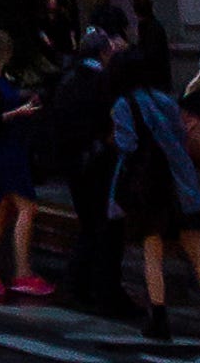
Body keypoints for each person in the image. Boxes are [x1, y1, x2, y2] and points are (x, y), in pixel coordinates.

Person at [110, 52, 200, 349]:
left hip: (149, 188)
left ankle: (159, 318)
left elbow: (127, 145)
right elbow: (179, 134)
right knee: (196, 252)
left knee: (153, 252)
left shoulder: (122, 105)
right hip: (179, 183)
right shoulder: (164, 100)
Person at [50, 18, 136, 316]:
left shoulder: (69, 79)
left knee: (89, 226)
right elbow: (108, 124)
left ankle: (79, 284)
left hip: (75, 162)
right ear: (103, 53)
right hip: (98, 163)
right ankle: (106, 291)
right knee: (107, 228)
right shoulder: (102, 83)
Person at [0, 29, 55, 298]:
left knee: (1, 209)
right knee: (25, 206)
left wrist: (24, 99)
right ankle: (22, 271)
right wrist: (19, 112)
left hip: (5, 147)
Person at [129, 0, 174, 93]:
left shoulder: (149, 28)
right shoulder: (152, 26)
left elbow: (148, 53)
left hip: (154, 78)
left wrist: (130, 48)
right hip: (158, 76)